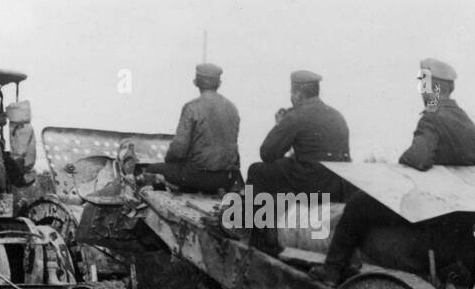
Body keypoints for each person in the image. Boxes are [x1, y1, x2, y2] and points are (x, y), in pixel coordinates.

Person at [311, 58, 475, 286]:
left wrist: (404, 160)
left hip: (426, 204)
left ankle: (332, 271)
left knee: (357, 204)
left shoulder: (432, 117)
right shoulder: (466, 122)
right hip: (451, 210)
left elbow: (418, 159)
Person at [246, 70, 351, 201]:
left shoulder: (296, 116)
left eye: (292, 93)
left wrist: (279, 124)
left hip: (312, 182)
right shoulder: (337, 115)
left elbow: (267, 153)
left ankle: (254, 219)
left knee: (256, 171)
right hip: (337, 183)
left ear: (298, 94)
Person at [139, 63, 241, 193]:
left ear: (196, 82)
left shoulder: (192, 107)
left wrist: (170, 162)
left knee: (152, 170)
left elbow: (178, 150)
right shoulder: (232, 108)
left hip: (200, 177)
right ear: (219, 83)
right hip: (227, 178)